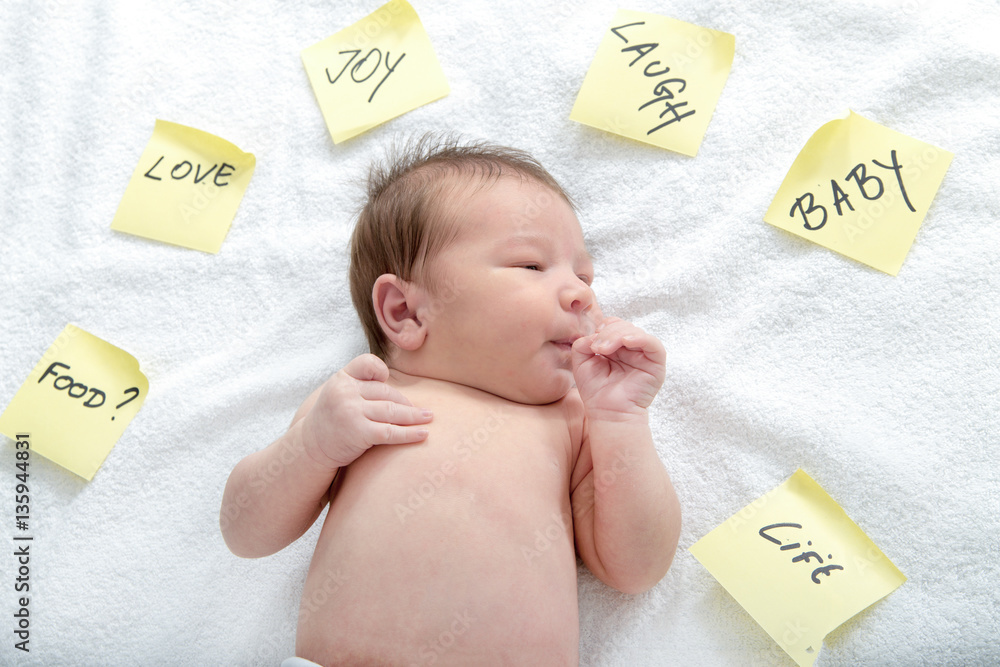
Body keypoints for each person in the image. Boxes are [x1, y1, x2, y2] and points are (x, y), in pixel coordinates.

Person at [220, 136, 681, 665]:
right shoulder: (364, 398)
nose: (582, 294)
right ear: (405, 313)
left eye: (584, 274)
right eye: (531, 265)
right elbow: (244, 532)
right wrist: (311, 447)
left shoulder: (572, 420)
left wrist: (620, 418)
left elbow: (636, 568)